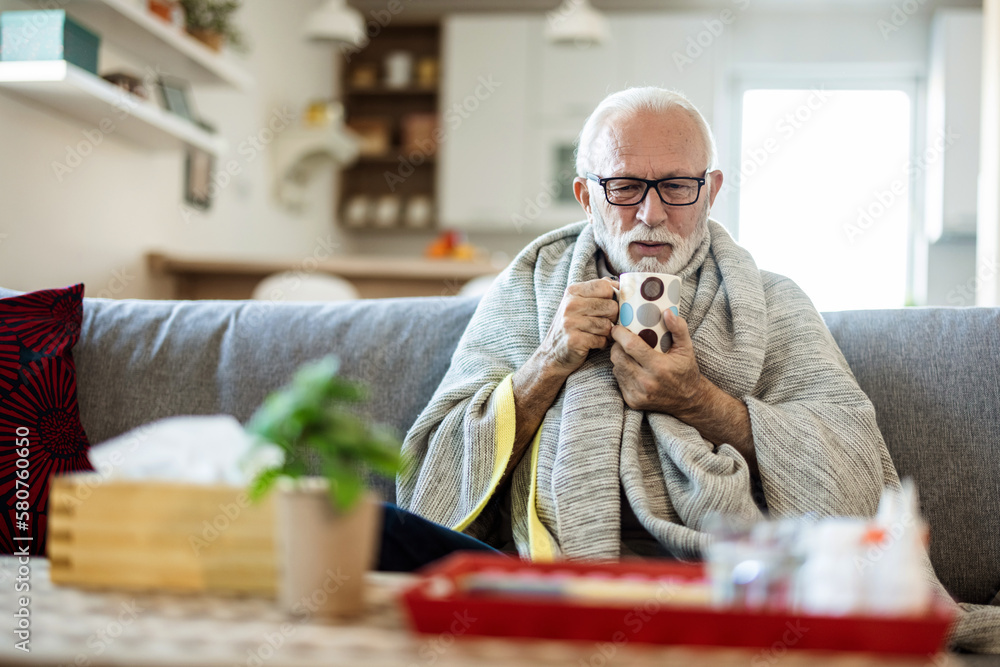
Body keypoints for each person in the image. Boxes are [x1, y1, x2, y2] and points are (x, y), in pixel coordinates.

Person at [387, 87, 999, 652]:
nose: (651, 213)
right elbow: (426, 482)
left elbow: (850, 461)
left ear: (710, 189)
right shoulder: (531, 289)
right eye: (625, 186)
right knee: (382, 531)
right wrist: (548, 364)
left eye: (677, 186)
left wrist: (696, 400)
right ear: (586, 195)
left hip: (722, 579)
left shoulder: (772, 301)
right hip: (547, 571)